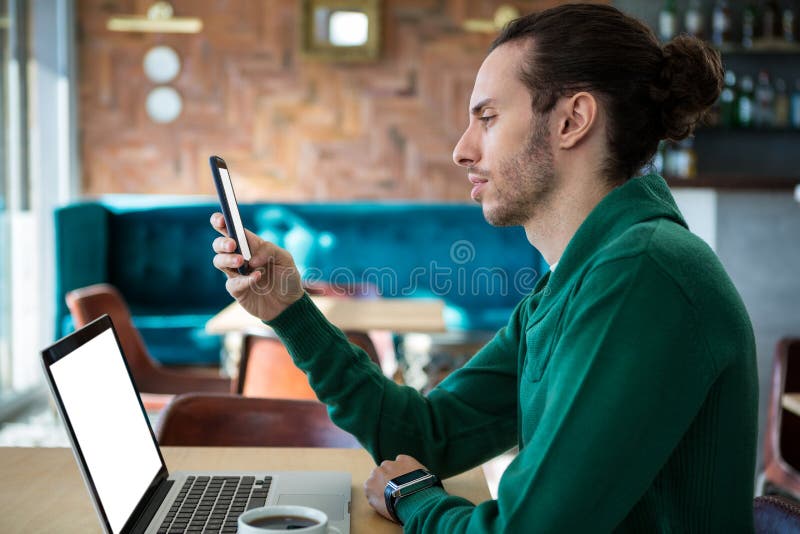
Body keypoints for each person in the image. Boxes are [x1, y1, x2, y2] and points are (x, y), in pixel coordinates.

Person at [211, 4, 758, 532]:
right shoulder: (573, 281)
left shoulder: (643, 274)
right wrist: (291, 310)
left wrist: (416, 500)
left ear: (572, 120)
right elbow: (425, 436)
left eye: (488, 118)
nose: (461, 151)